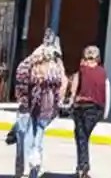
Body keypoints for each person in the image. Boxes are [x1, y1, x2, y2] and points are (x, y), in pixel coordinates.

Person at [12, 30, 67, 178]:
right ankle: (32, 168)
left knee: (29, 139)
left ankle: (27, 169)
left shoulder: (32, 64)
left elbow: (20, 76)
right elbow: (61, 86)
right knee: (35, 138)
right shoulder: (54, 68)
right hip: (41, 108)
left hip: (35, 107)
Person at [66, 45, 110, 178]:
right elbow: (107, 91)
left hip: (82, 107)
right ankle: (83, 167)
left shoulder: (81, 71)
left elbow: (74, 90)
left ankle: (82, 167)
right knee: (84, 136)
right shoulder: (103, 72)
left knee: (81, 137)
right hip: (96, 109)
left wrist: (69, 103)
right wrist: (105, 111)